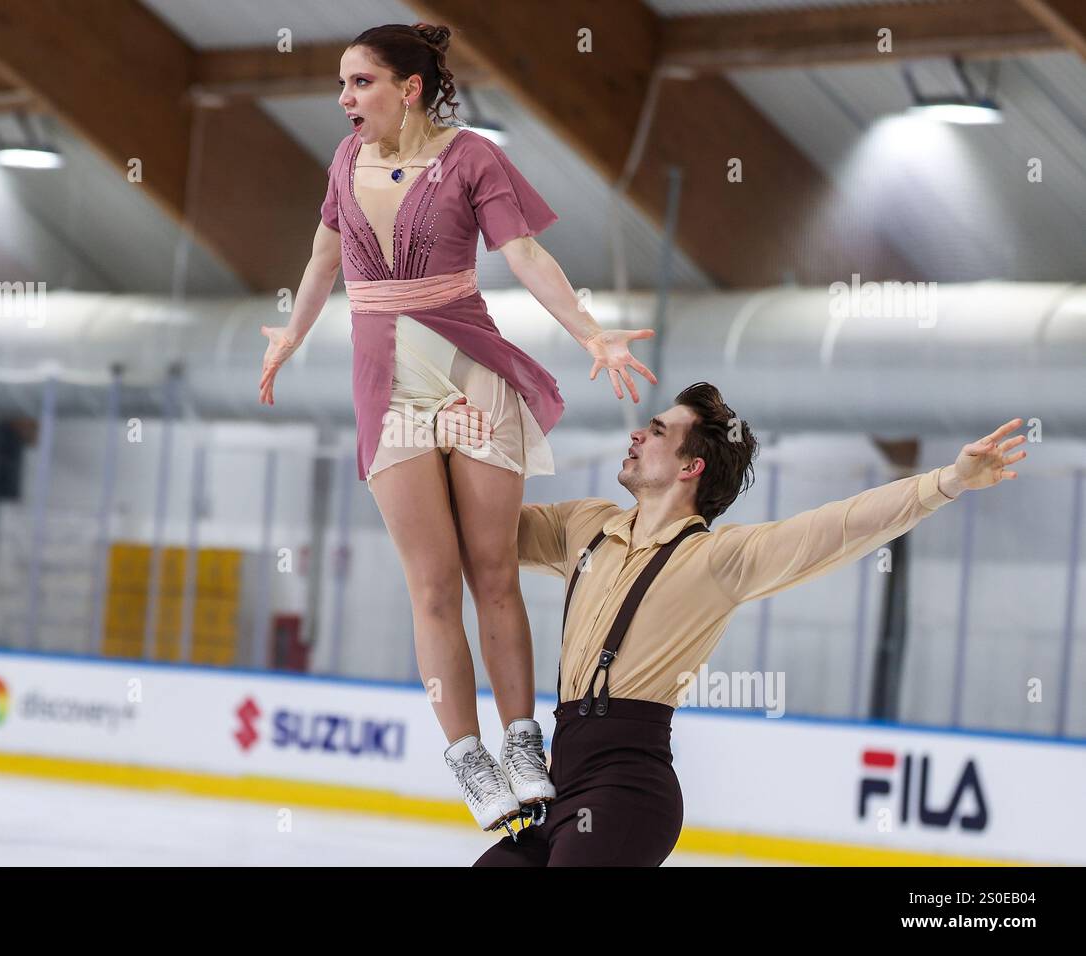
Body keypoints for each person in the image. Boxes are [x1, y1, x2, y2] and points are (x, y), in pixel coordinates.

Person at [257, 22, 656, 838]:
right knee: (432, 585)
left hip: (470, 372)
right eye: (342, 84)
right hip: (388, 387)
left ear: (408, 88)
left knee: (492, 568)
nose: (344, 100)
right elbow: (321, 260)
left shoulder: (472, 157)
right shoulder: (343, 163)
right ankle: (467, 756)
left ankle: (519, 742)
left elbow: (529, 256)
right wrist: (291, 335)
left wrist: (591, 333)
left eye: (359, 83)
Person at [435, 383, 1028, 866]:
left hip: (628, 791)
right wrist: (450, 436)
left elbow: (839, 527)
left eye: (659, 430)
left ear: (692, 466)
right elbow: (479, 529)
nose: (637, 433)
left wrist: (947, 481)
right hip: (559, 782)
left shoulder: (718, 560)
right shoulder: (586, 525)